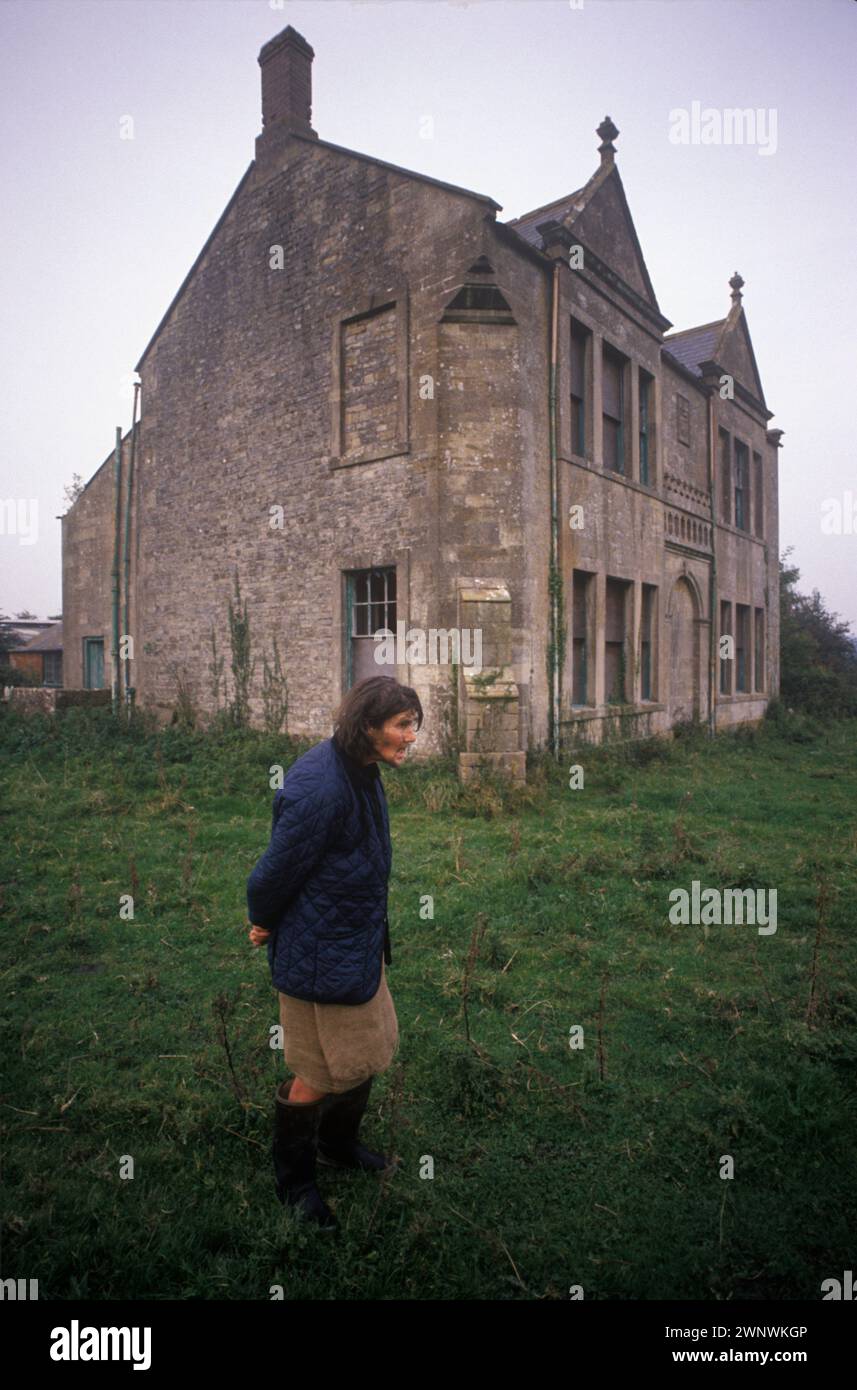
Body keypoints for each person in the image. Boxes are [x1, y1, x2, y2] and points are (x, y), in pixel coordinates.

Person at [246, 675, 423, 1230]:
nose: (411, 737)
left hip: (352, 938)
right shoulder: (321, 786)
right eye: (401, 725)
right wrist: (262, 920)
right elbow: (274, 871)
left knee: (363, 1051)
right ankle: (295, 1182)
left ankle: (338, 1146)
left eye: (413, 724)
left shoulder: (360, 765)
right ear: (366, 726)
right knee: (320, 1069)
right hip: (319, 946)